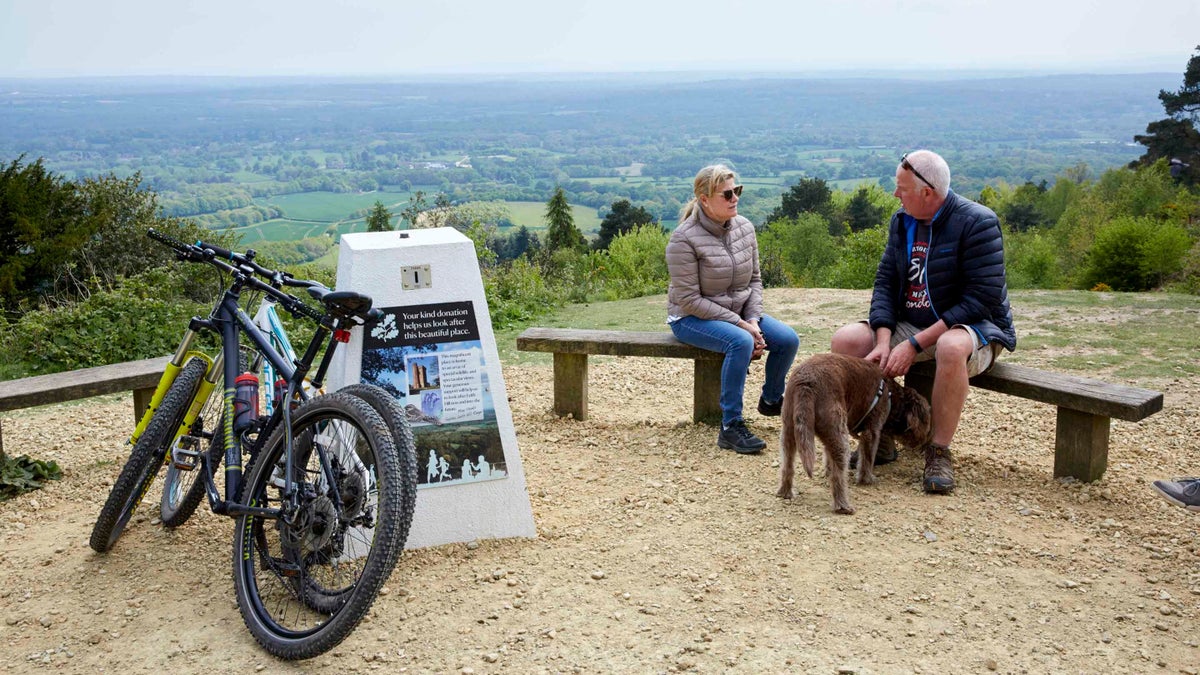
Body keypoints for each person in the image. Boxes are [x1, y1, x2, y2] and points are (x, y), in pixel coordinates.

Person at [830, 150, 1016, 493]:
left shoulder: (978, 222)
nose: (896, 195)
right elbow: (885, 283)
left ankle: (938, 450)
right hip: (910, 324)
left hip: (972, 328)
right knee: (847, 341)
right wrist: (885, 341)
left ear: (927, 192)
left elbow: (981, 300)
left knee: (949, 346)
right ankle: (878, 437)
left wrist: (914, 344)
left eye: (901, 188)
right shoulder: (902, 222)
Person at [666, 164, 800, 454]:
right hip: (690, 317)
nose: (735, 198)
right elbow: (689, 300)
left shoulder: (745, 228)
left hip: (739, 314)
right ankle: (730, 427)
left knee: (788, 340)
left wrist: (751, 318)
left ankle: (771, 400)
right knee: (738, 342)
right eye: (726, 194)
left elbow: (754, 280)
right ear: (704, 199)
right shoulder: (683, 239)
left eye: (736, 190)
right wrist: (742, 326)